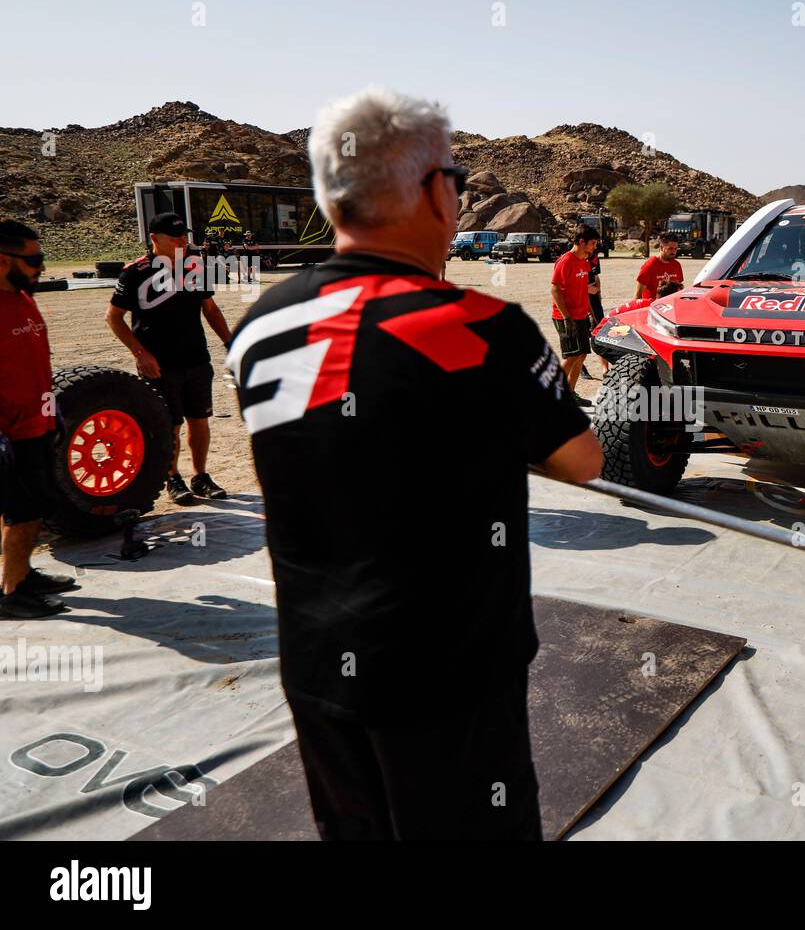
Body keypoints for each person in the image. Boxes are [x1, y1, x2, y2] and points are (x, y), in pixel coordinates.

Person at [227, 87, 602, 840]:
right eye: (456, 182)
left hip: (314, 659)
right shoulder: (484, 326)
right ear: (436, 192)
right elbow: (582, 461)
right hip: (449, 674)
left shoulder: (261, 324)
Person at [106, 212, 233, 504]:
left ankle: (200, 476)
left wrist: (229, 341)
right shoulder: (135, 272)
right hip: (159, 364)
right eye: (175, 236)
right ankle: (172, 478)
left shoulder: (194, 267)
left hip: (196, 358)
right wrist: (140, 353)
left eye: (184, 236)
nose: (182, 241)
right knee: (170, 423)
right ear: (154, 238)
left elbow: (210, 309)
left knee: (200, 420)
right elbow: (113, 318)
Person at [0, 221, 78, 618]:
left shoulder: (23, 297)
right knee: (21, 511)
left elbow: (35, 363)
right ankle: (12, 594)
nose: (41, 268)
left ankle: (23, 575)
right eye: (34, 260)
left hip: (37, 424)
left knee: (33, 506)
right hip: (11, 434)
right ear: (2, 261)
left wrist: (54, 409)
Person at [550, 225, 600, 404]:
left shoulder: (585, 261)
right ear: (581, 242)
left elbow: (582, 291)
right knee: (571, 356)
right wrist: (566, 317)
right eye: (592, 243)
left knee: (581, 355)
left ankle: (569, 394)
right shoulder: (566, 261)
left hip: (581, 316)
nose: (595, 246)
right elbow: (555, 289)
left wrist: (592, 315)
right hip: (565, 317)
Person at [579, 238, 606, 380]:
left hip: (594, 299)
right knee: (582, 335)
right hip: (580, 299)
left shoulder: (594, 257)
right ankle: (581, 368)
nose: (594, 248)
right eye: (593, 244)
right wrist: (586, 289)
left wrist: (599, 295)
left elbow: (596, 277)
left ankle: (605, 369)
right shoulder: (575, 259)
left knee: (600, 332)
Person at [635, 235, 684, 301]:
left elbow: (679, 290)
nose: (674, 252)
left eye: (675, 249)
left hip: (670, 307)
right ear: (661, 247)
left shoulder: (677, 265)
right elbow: (638, 296)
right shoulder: (650, 266)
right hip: (652, 308)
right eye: (670, 248)